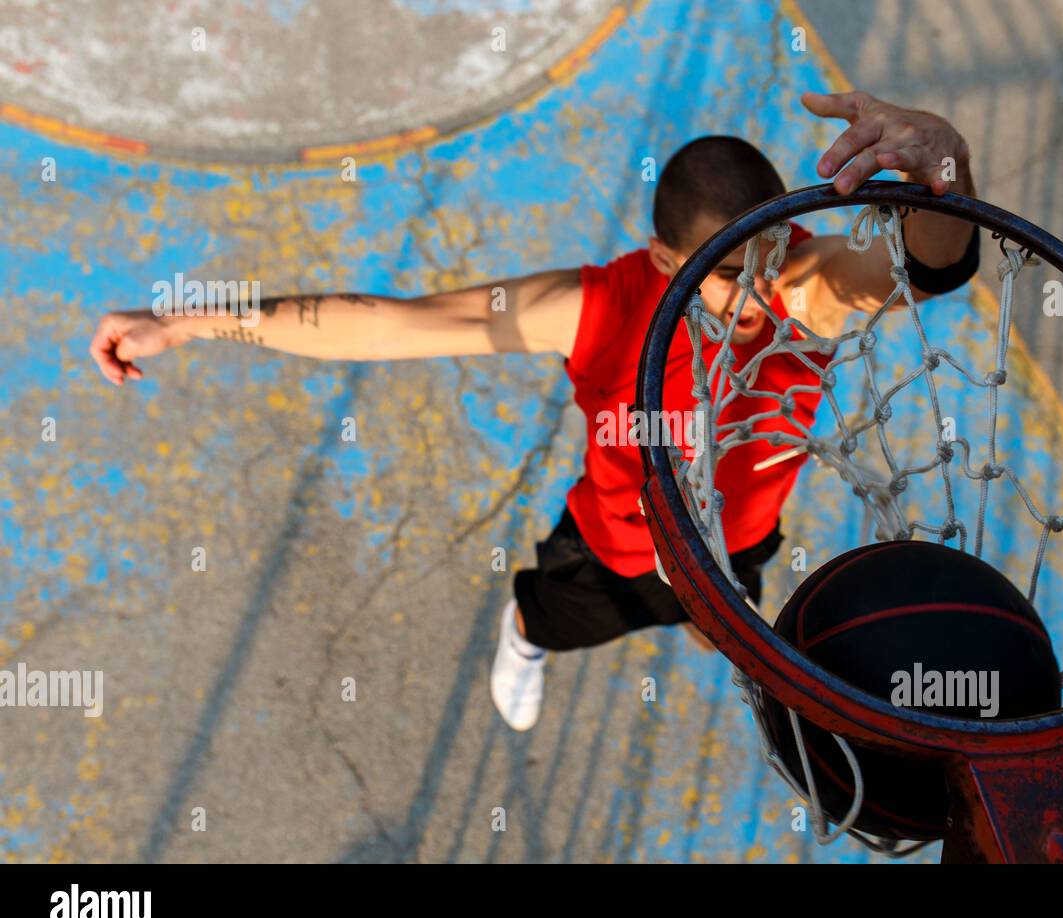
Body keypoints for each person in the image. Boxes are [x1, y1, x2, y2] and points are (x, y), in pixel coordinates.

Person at [90, 90, 979, 731]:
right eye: (721, 273)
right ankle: (521, 636)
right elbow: (388, 325)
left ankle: (715, 629)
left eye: (765, 252)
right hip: (616, 543)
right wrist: (185, 322)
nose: (753, 294)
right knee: (551, 618)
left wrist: (944, 159)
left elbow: (935, 259)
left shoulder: (807, 285)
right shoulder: (597, 306)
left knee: (731, 632)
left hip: (731, 540)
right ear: (663, 261)